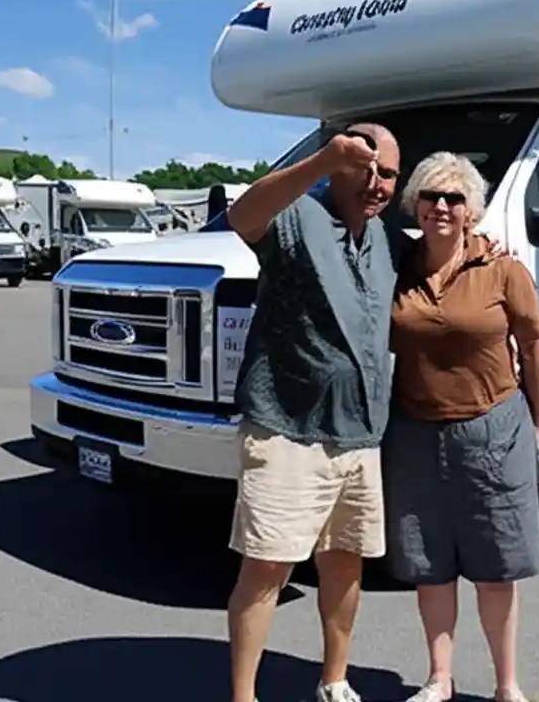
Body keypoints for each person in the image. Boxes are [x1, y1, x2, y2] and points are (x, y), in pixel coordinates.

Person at [222, 123, 405, 702]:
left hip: (359, 434)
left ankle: (334, 680)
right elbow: (241, 216)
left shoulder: (388, 241)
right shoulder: (298, 215)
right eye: (363, 169)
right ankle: (244, 696)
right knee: (267, 568)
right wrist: (324, 160)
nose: (376, 185)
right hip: (287, 429)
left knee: (346, 564)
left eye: (388, 175)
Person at [381, 152, 539, 702]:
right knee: (429, 565)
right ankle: (439, 679)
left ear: (471, 210)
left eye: (454, 198)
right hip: (415, 434)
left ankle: (506, 686)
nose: (441, 207)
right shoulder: (397, 264)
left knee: (496, 568)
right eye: (430, 196)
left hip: (492, 430)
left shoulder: (502, 268)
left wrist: (536, 418)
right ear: (416, 205)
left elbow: (533, 345)